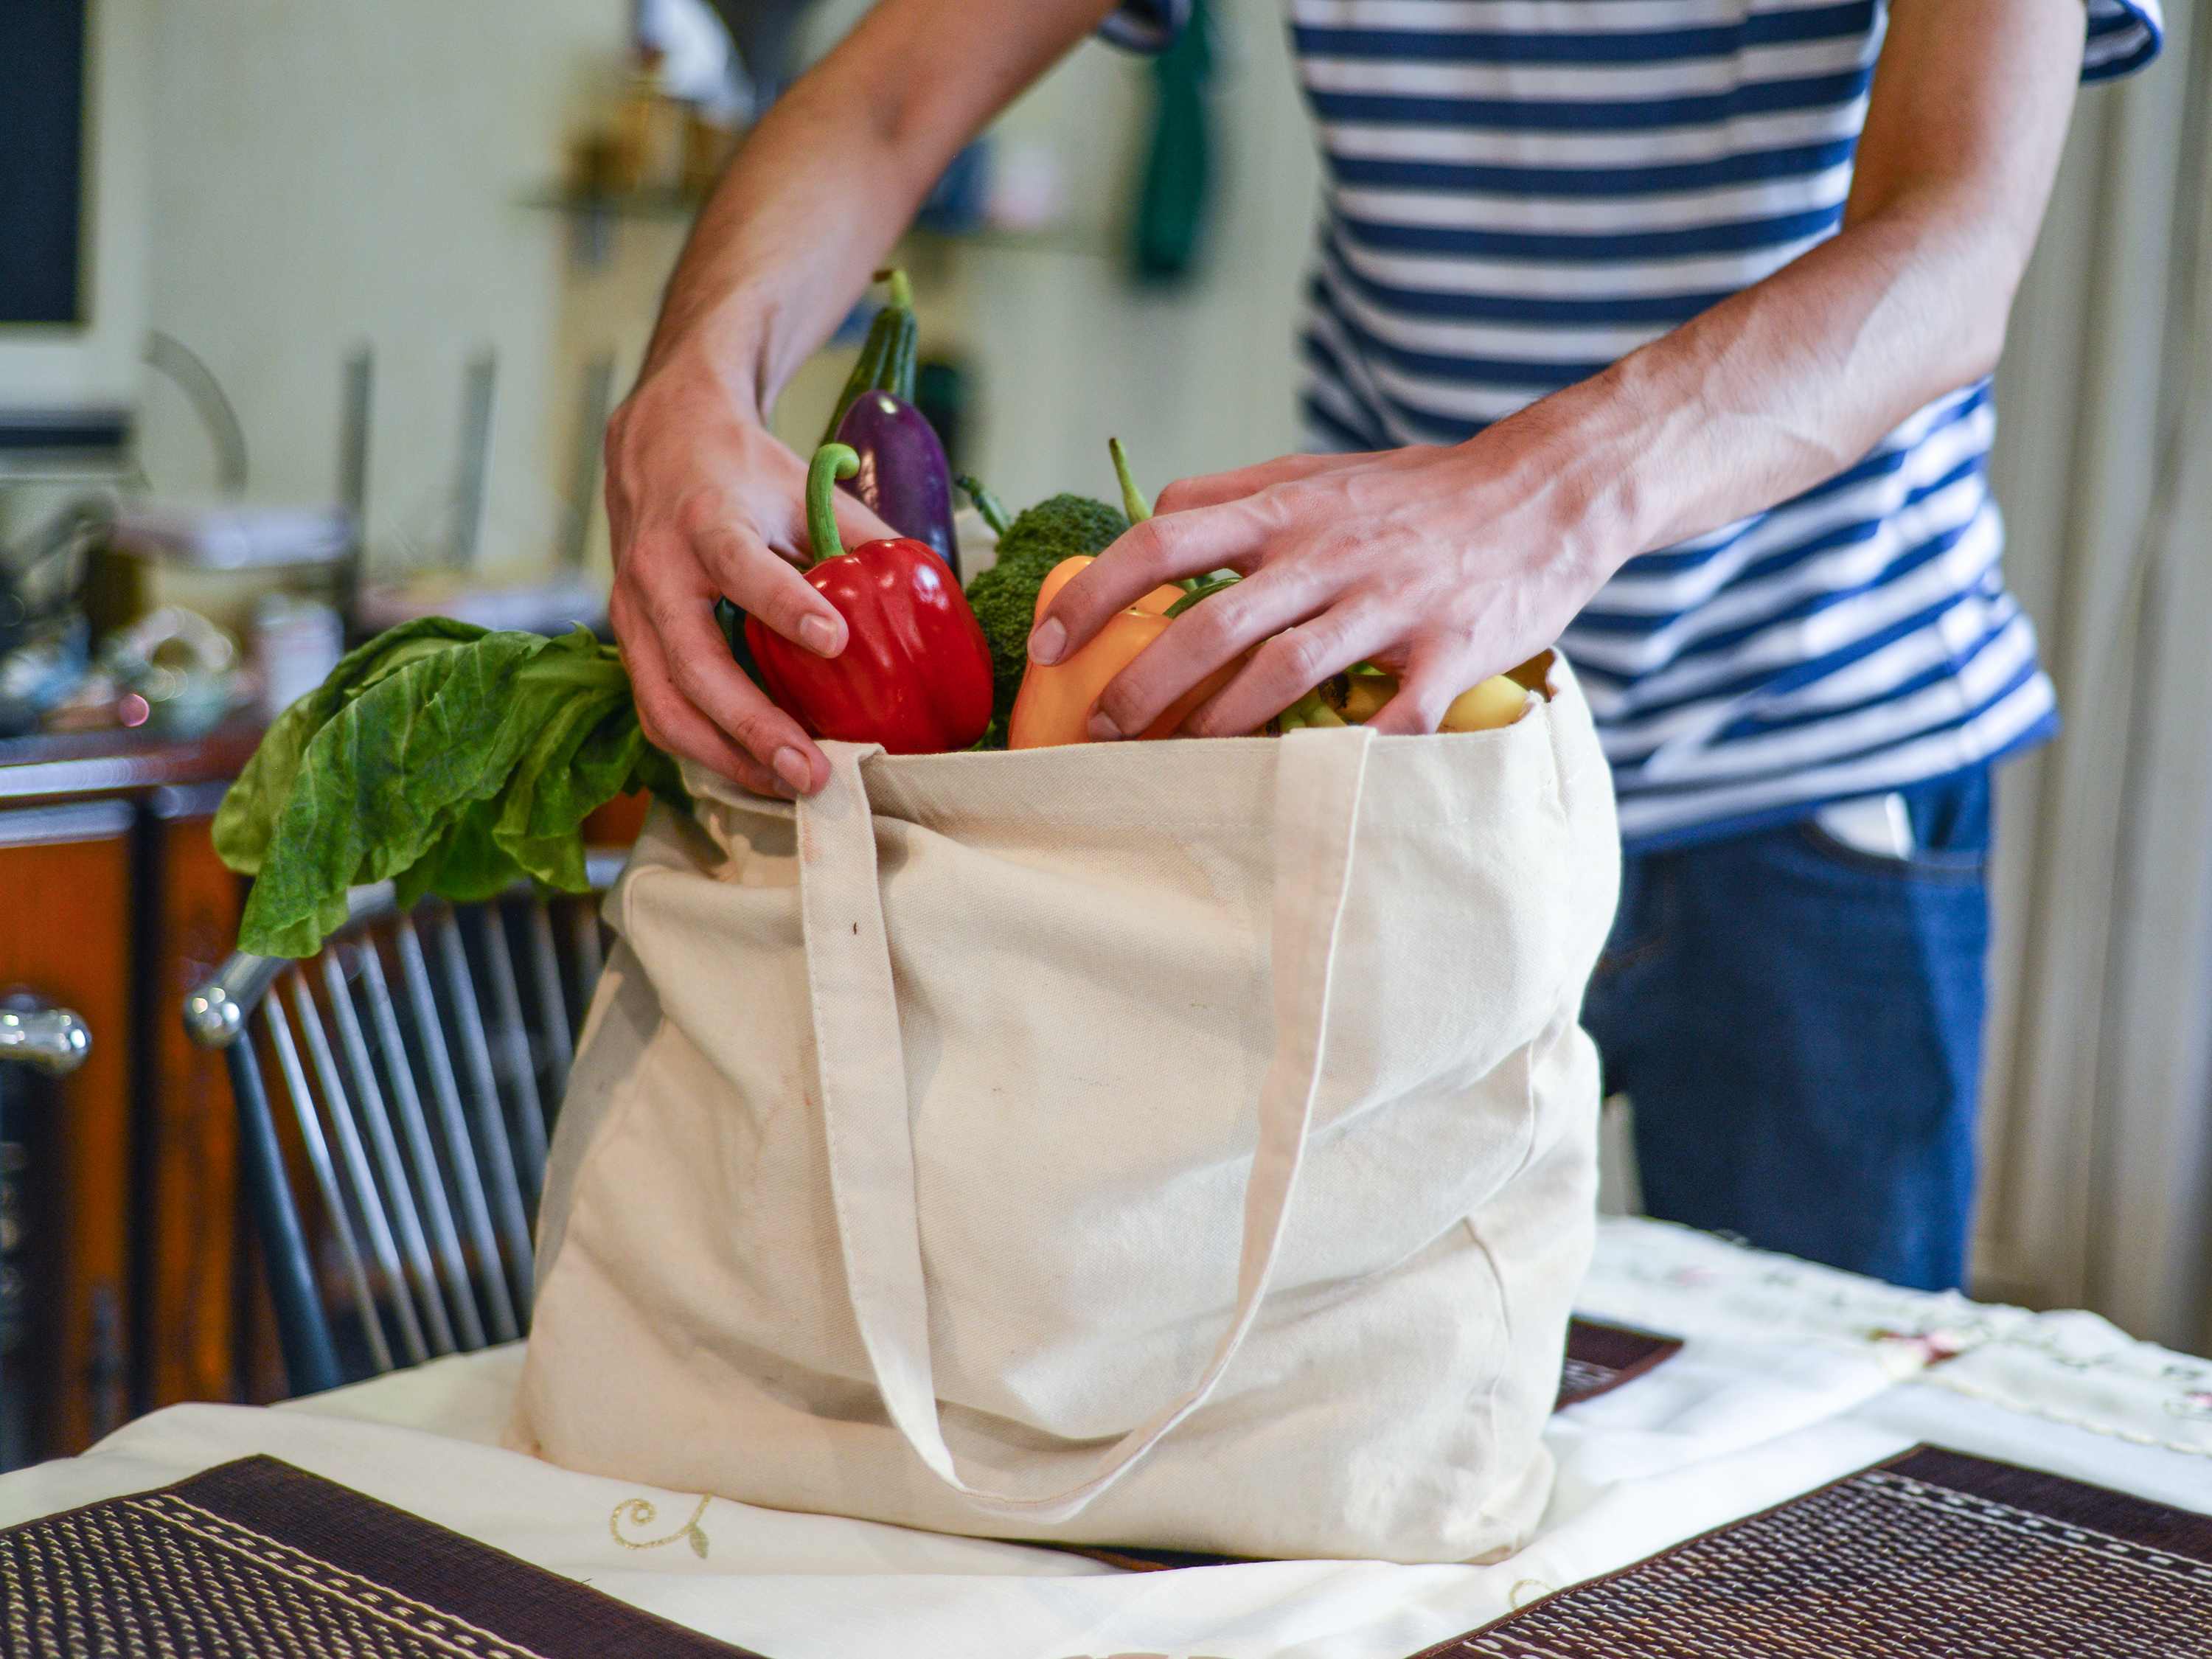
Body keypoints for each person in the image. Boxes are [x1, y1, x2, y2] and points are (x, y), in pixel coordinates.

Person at [601, 0, 2163, 1292]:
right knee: (1317, 1432)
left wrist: (1531, 504)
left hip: (1819, 752)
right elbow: (885, 107)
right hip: (1383, 762)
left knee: (1812, 1519)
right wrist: (693, 379)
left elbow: (1955, 238)